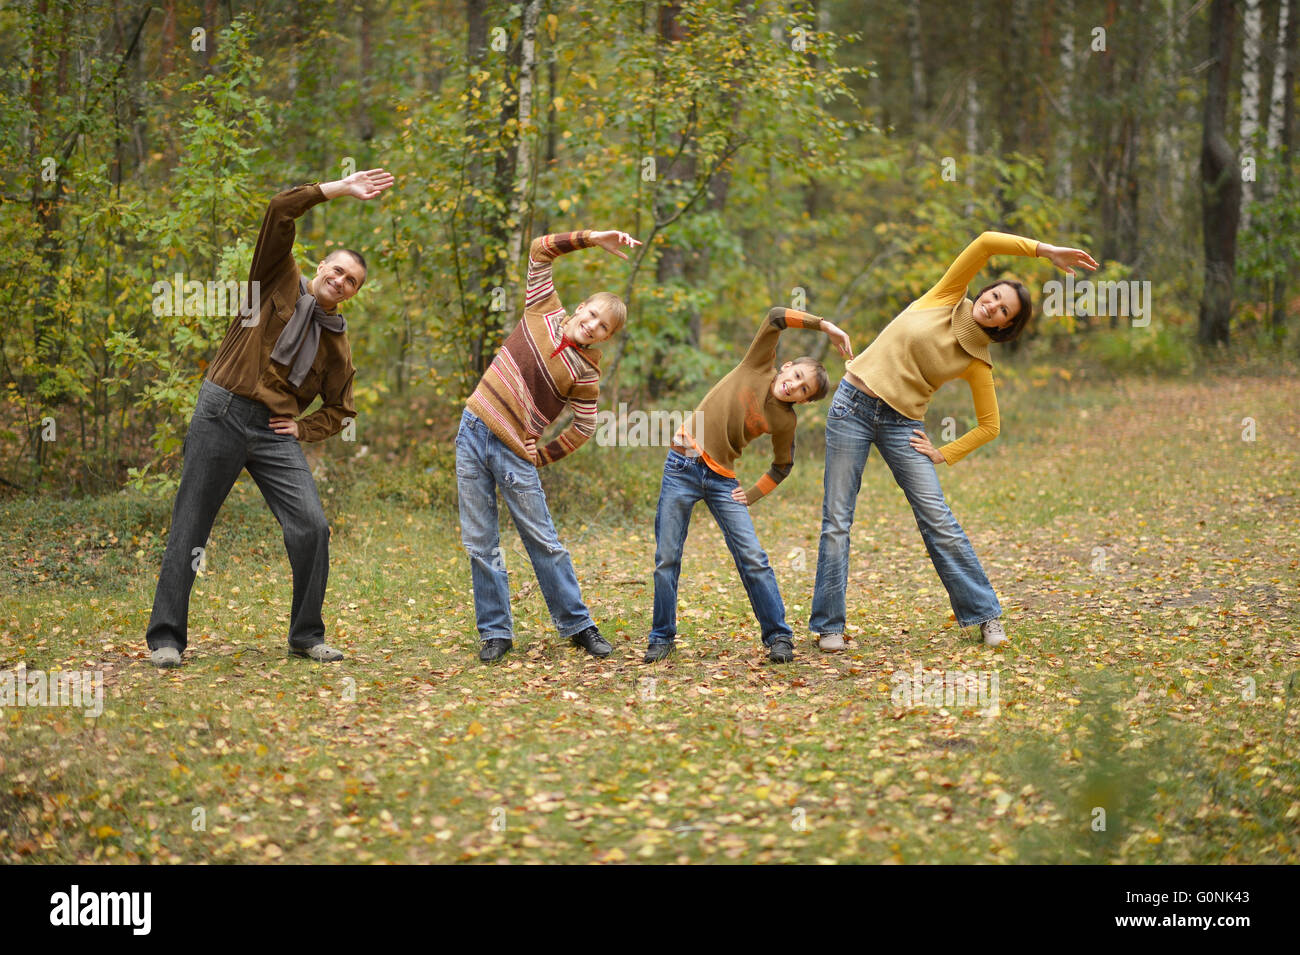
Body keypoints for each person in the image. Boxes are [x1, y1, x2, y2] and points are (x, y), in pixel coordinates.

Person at [145, 169, 394, 668]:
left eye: (352, 281)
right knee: (190, 524)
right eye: (337, 270)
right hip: (222, 412)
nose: (340, 281)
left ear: (354, 294)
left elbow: (342, 410)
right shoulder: (275, 278)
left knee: (312, 527)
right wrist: (337, 189)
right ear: (322, 265)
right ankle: (167, 638)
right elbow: (280, 210)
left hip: (275, 433)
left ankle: (306, 634)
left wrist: (304, 428)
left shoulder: (338, 346)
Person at [809, 231, 1097, 651]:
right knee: (837, 521)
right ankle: (830, 628)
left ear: (1005, 326)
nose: (994, 306)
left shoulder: (978, 360)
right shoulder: (946, 295)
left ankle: (985, 615)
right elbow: (984, 243)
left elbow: (989, 426)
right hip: (851, 405)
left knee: (938, 520)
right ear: (986, 290)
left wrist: (943, 453)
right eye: (996, 295)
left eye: (1004, 311)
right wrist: (1045, 251)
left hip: (902, 424)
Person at [458, 229, 640, 663]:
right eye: (592, 313)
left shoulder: (587, 374)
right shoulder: (542, 309)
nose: (592, 324)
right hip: (471, 432)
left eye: (603, 326)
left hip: (515, 453)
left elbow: (583, 427)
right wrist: (593, 239)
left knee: (544, 540)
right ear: (581, 307)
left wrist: (542, 454)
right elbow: (540, 249)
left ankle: (579, 626)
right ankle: (496, 634)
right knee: (481, 541)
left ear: (605, 337)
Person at [645, 307, 853, 664]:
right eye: (797, 376)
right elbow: (775, 317)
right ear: (787, 365)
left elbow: (783, 465)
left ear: (803, 401)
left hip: (723, 479)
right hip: (681, 467)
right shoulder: (757, 364)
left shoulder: (785, 421)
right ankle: (662, 636)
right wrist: (824, 326)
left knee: (753, 558)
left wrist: (753, 494)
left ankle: (778, 636)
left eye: (803, 390)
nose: (795, 386)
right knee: (667, 557)